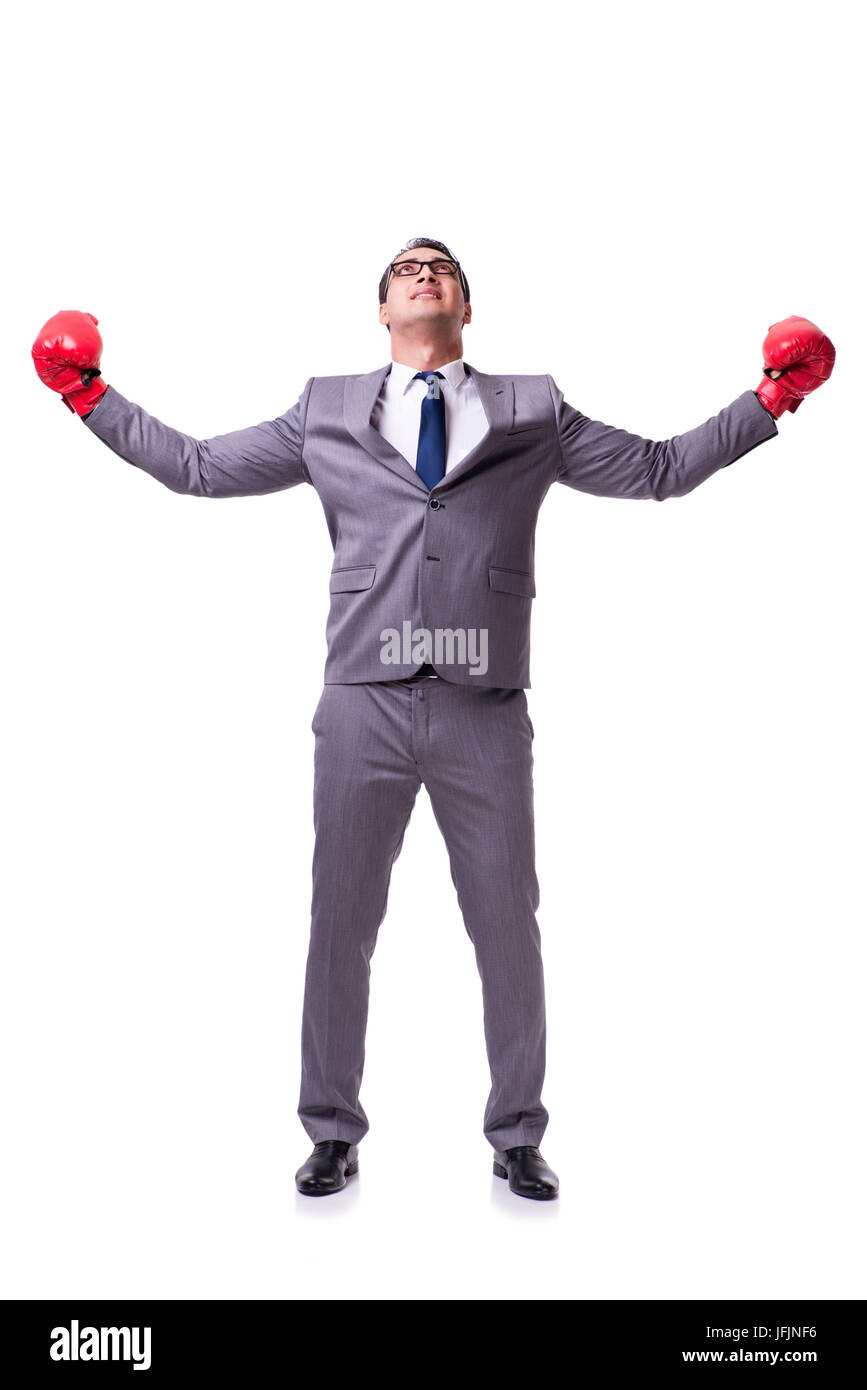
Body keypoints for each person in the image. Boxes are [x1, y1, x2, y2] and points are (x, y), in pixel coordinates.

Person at [31, 240, 835, 1202]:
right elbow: (201, 468)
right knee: (340, 924)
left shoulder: (531, 409)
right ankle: (329, 1130)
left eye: (441, 267)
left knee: (506, 925)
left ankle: (516, 1135)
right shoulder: (324, 409)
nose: (423, 272)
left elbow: (657, 469)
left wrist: (772, 398)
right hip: (360, 700)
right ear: (380, 311)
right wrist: (88, 397)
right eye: (405, 268)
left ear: (465, 307)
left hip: (481, 705)